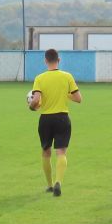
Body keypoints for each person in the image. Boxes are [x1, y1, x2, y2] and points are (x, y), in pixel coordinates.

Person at [29, 48, 82, 196]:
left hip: (45, 118)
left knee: (46, 151)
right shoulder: (67, 77)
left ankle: (49, 185)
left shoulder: (39, 78)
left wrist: (31, 106)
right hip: (62, 118)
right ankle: (58, 181)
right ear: (59, 60)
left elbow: (36, 101)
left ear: (45, 61)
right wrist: (66, 94)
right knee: (61, 152)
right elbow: (78, 99)